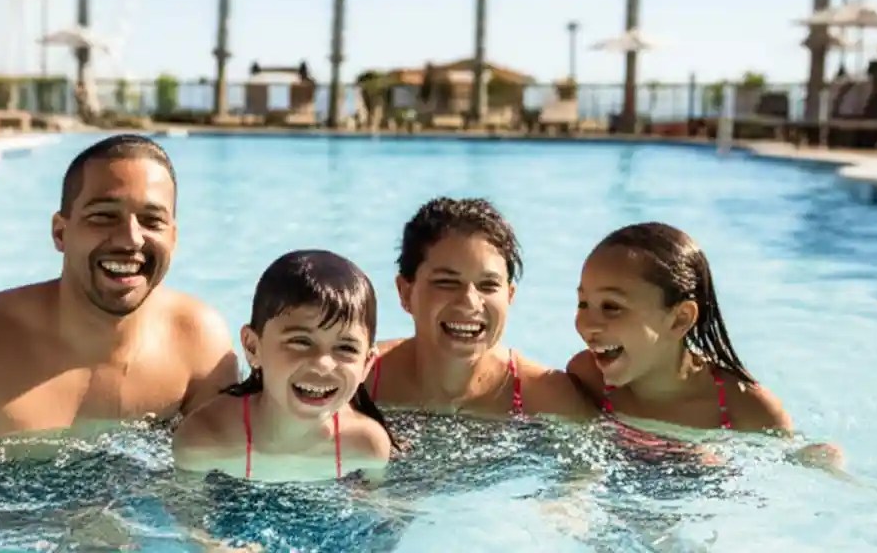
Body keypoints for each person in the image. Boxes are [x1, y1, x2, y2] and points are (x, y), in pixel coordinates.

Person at [0, 134, 239, 482]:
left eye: (151, 220)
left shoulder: (199, 342)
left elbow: (211, 489)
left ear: (173, 237)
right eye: (103, 216)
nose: (131, 239)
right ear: (61, 233)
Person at [173, 249, 393, 481]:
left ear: (367, 363)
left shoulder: (367, 446)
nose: (323, 365)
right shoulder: (204, 439)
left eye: (346, 348)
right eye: (300, 342)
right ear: (252, 347)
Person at [366, 197, 594, 420]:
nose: (470, 301)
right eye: (446, 282)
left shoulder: (548, 399)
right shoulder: (359, 381)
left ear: (509, 296)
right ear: (405, 292)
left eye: (488, 285)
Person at [566, 221, 791, 433]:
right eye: (583, 303)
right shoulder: (587, 380)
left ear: (679, 319)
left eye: (611, 306)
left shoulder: (747, 410)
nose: (586, 324)